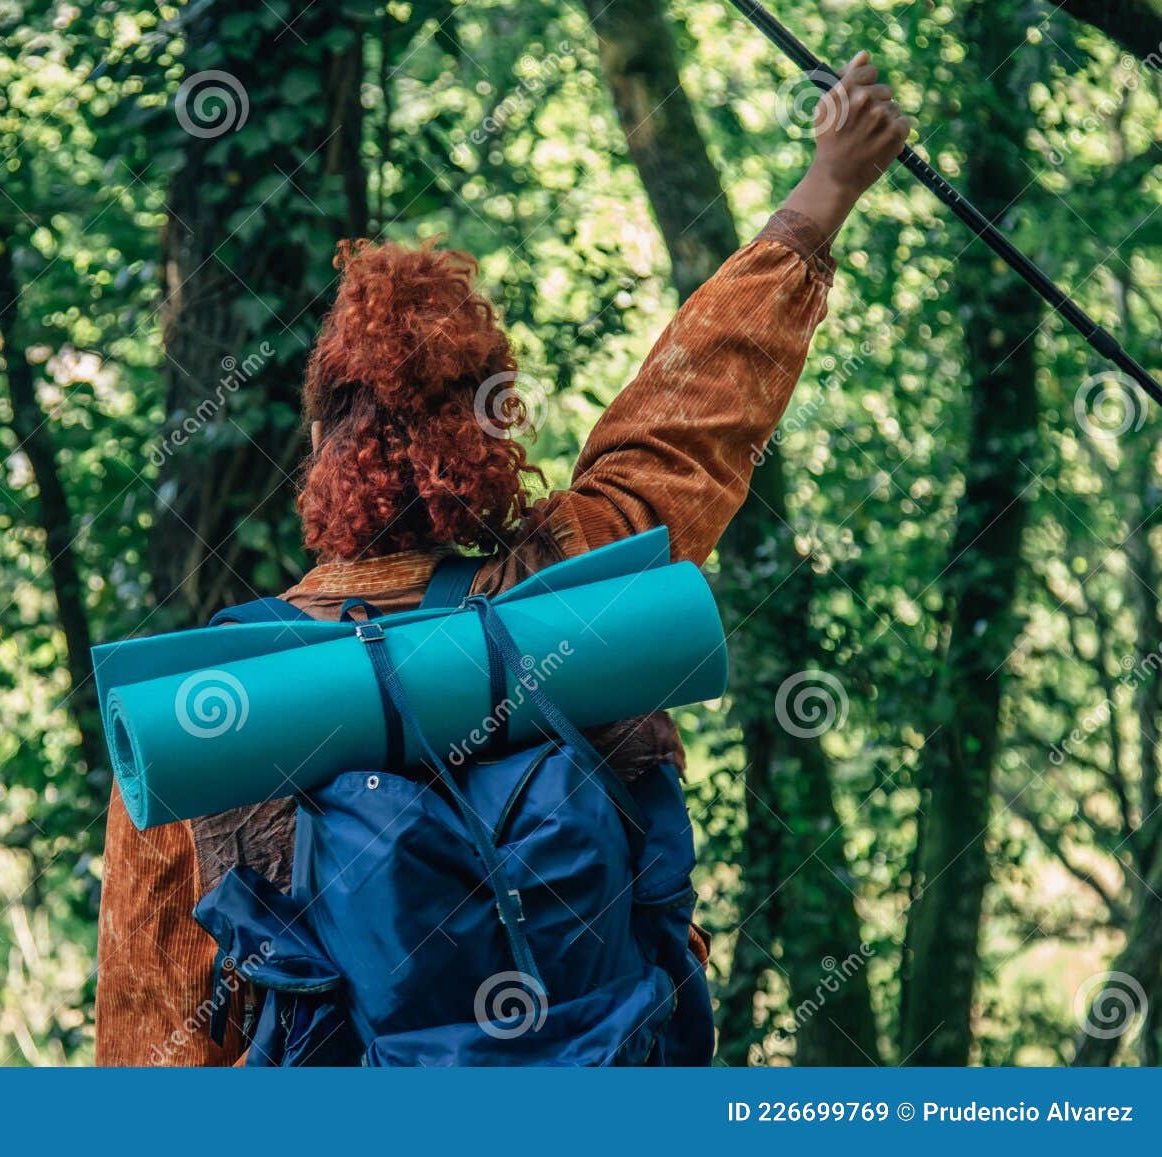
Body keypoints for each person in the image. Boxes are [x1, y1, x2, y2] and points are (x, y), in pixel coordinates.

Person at [96, 52, 913, 1065]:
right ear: (492, 429)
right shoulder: (573, 585)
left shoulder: (207, 719)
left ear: (318, 449)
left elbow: (153, 1040)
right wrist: (823, 189)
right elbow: (691, 417)